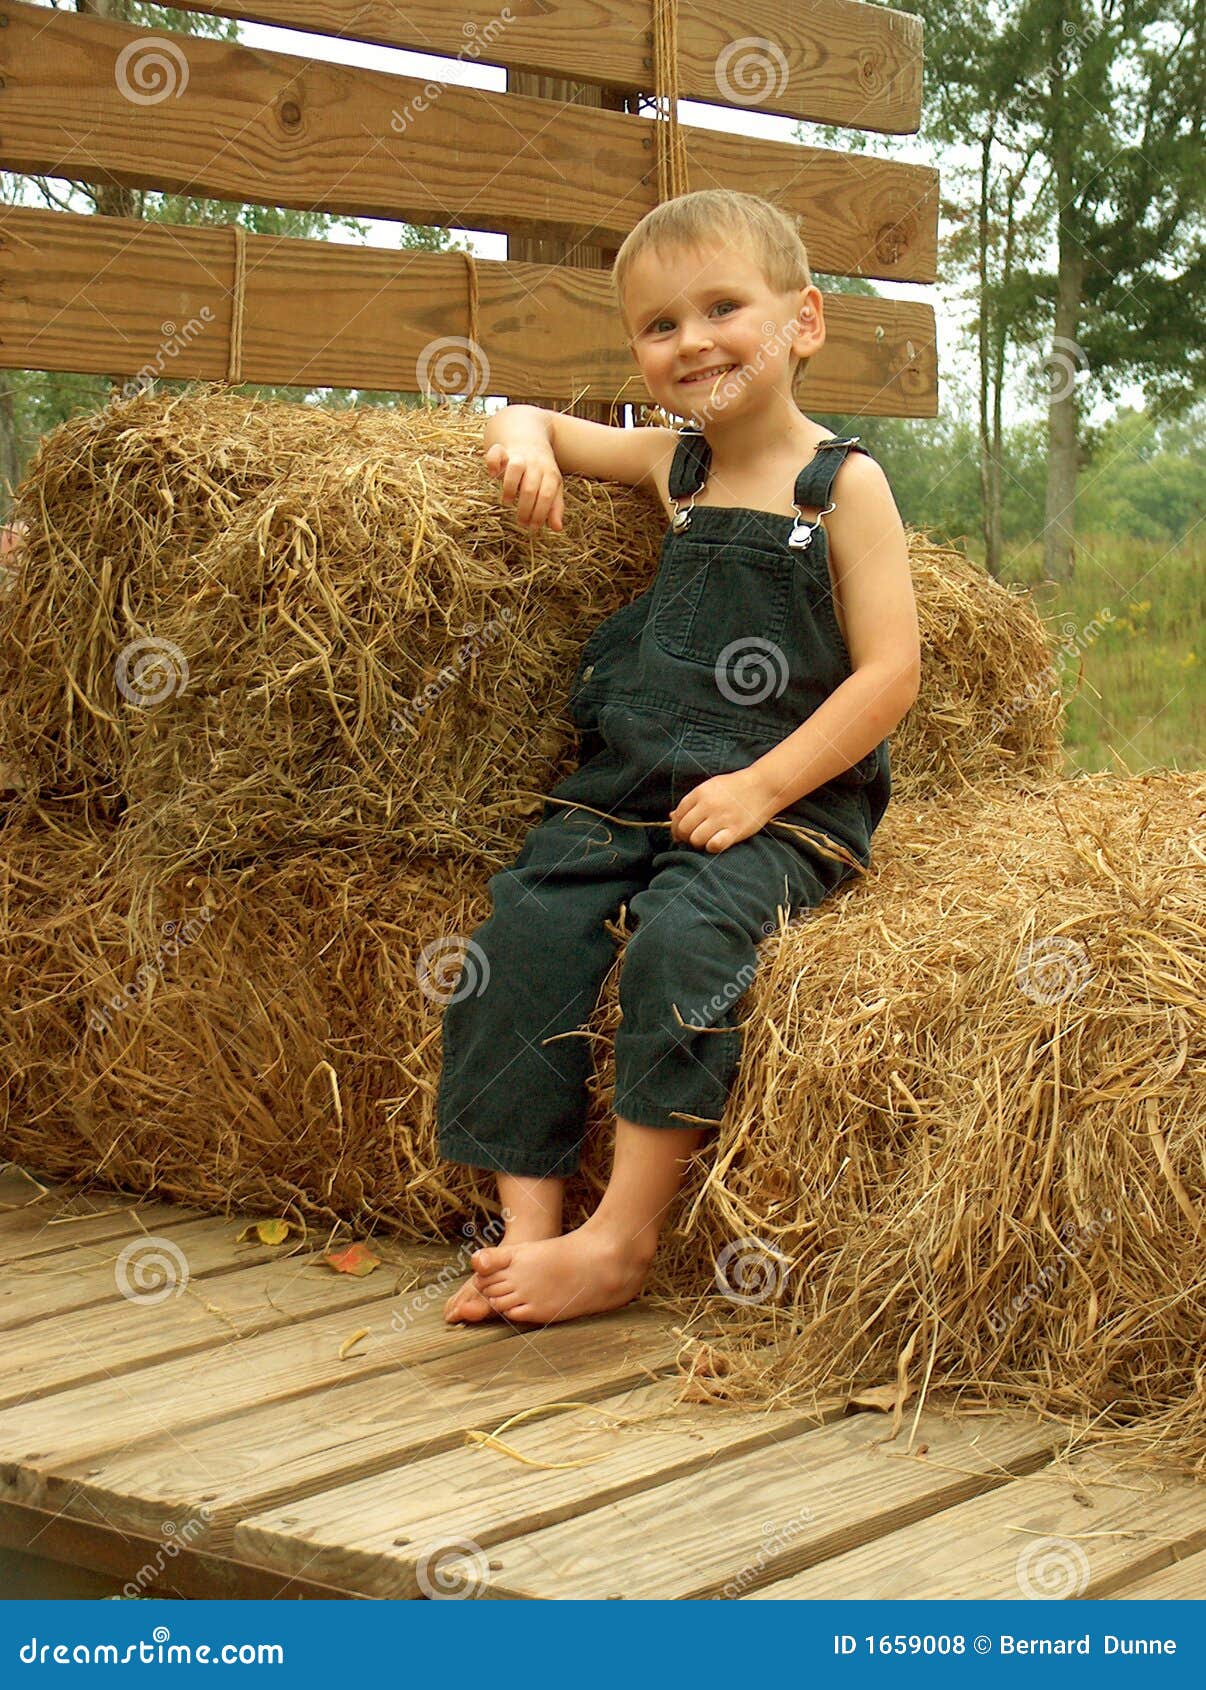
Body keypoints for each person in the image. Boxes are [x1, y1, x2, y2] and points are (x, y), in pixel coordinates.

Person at [438, 188, 920, 1327]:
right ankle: (527, 1231)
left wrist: (763, 787)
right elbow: (536, 421)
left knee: (684, 942)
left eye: (722, 308)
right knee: (519, 935)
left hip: (785, 799)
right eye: (660, 326)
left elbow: (890, 674)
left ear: (804, 321)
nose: (692, 340)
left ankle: (623, 1235)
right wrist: (521, 442)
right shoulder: (677, 467)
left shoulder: (844, 486)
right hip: (630, 788)